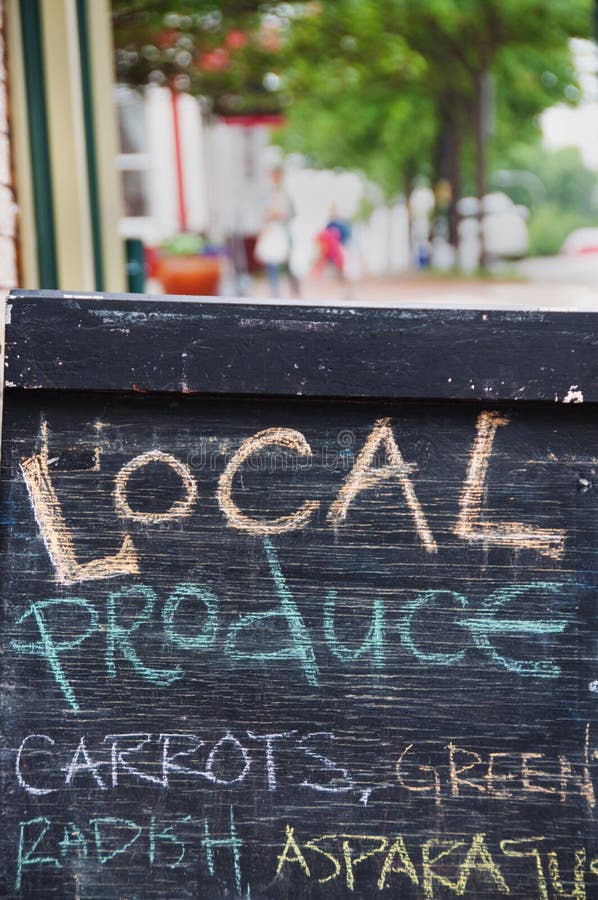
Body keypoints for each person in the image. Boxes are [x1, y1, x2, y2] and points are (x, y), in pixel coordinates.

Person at [255, 167, 300, 298]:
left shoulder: (286, 194)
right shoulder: (266, 195)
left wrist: (282, 215)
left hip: (284, 231)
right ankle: (274, 294)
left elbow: (293, 213)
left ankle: (295, 292)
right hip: (272, 233)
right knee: (271, 264)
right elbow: (264, 215)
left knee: (289, 264)